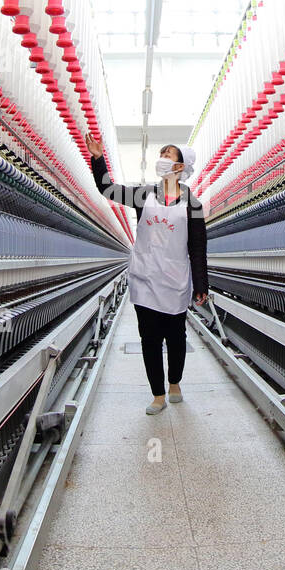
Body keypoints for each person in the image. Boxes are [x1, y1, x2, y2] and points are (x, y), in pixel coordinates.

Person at [85, 135, 208, 415]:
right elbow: (108, 189)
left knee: (176, 338)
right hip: (144, 277)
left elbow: (198, 247)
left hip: (175, 280)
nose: (162, 157)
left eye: (169, 155)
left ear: (180, 167)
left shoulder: (193, 204)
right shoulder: (144, 194)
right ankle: (157, 394)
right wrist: (97, 158)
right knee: (149, 338)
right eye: (162, 152)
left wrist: (201, 284)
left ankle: (174, 381)